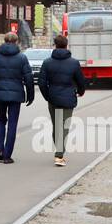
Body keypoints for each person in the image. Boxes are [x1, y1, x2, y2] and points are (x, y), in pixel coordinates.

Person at [0, 32, 35, 163]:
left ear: (4, 41)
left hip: (0, 94)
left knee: (1, 121)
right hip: (16, 95)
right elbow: (28, 78)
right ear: (16, 42)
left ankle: (0, 149)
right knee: (12, 124)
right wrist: (31, 95)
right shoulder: (22, 58)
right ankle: (7, 154)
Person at [37, 34, 86, 166]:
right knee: (64, 126)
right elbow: (81, 81)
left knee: (57, 126)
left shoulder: (47, 62)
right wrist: (81, 92)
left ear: (55, 45)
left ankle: (59, 151)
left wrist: (48, 96)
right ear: (66, 45)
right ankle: (59, 155)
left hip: (53, 98)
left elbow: (41, 83)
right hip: (69, 98)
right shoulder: (74, 63)